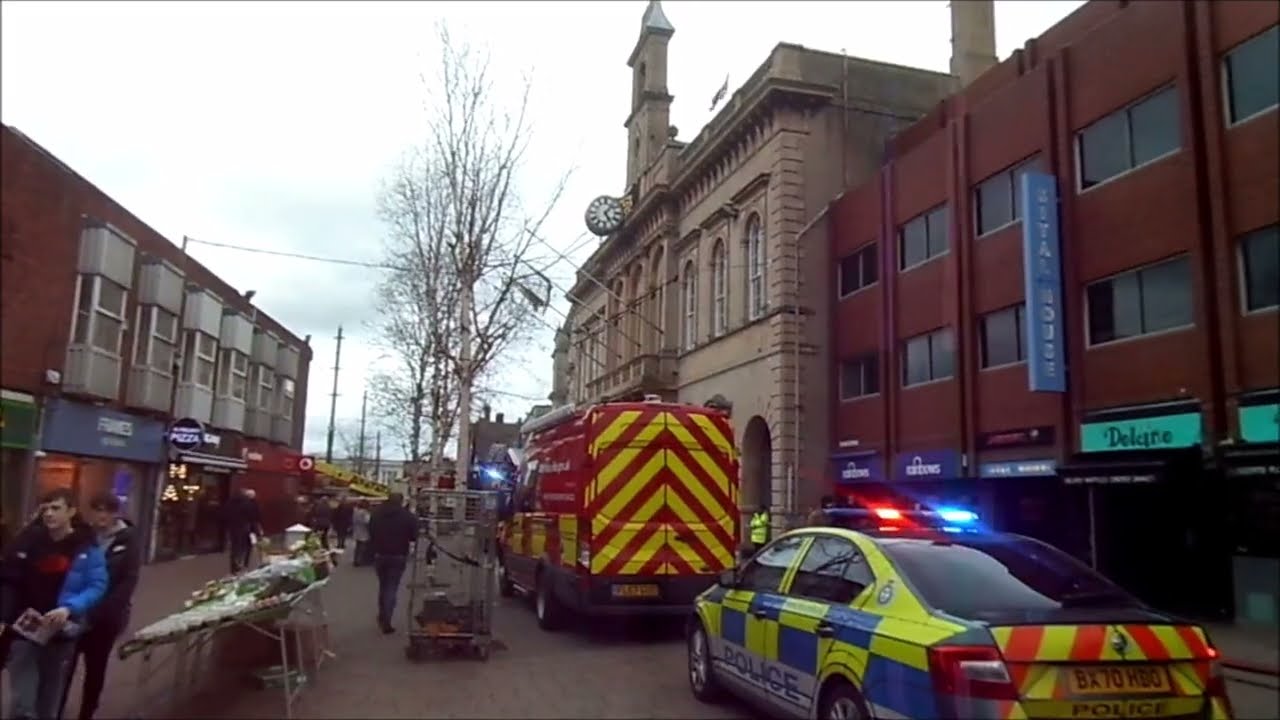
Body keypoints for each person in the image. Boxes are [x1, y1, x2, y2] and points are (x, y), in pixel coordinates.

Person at [0, 488, 108, 720]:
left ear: (71, 511)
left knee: (49, 699)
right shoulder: (27, 542)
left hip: (59, 631)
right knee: (23, 700)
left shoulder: (86, 547)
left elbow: (97, 585)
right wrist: (4, 616)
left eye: (55, 508)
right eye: (45, 509)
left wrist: (69, 608)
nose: (49, 514)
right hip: (24, 628)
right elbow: (9, 581)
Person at [58, 492, 140, 720]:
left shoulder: (128, 539)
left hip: (104, 619)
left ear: (116, 513)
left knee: (95, 667)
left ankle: (87, 712)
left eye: (107, 511)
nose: (102, 515)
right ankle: (56, 709)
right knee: (64, 667)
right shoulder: (83, 536)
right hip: (75, 612)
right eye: (97, 510)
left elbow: (127, 581)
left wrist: (99, 614)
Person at [366, 493, 418, 635]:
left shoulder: (376, 514)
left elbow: (370, 531)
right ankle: (387, 620)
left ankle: (382, 615)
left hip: (380, 554)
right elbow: (414, 535)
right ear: (401, 501)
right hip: (398, 554)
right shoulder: (407, 516)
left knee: (383, 586)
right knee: (392, 587)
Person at [224, 488, 263, 573]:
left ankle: (234, 566)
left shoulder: (229, 503)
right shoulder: (247, 504)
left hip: (233, 529)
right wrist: (256, 531)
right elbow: (253, 518)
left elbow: (225, 515)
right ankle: (243, 564)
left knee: (235, 547)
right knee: (246, 546)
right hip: (245, 528)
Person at [351, 503, 372, 567]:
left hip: (357, 530)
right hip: (363, 531)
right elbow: (367, 521)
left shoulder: (356, 512)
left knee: (357, 547)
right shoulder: (365, 513)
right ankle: (360, 561)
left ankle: (355, 559)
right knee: (362, 547)